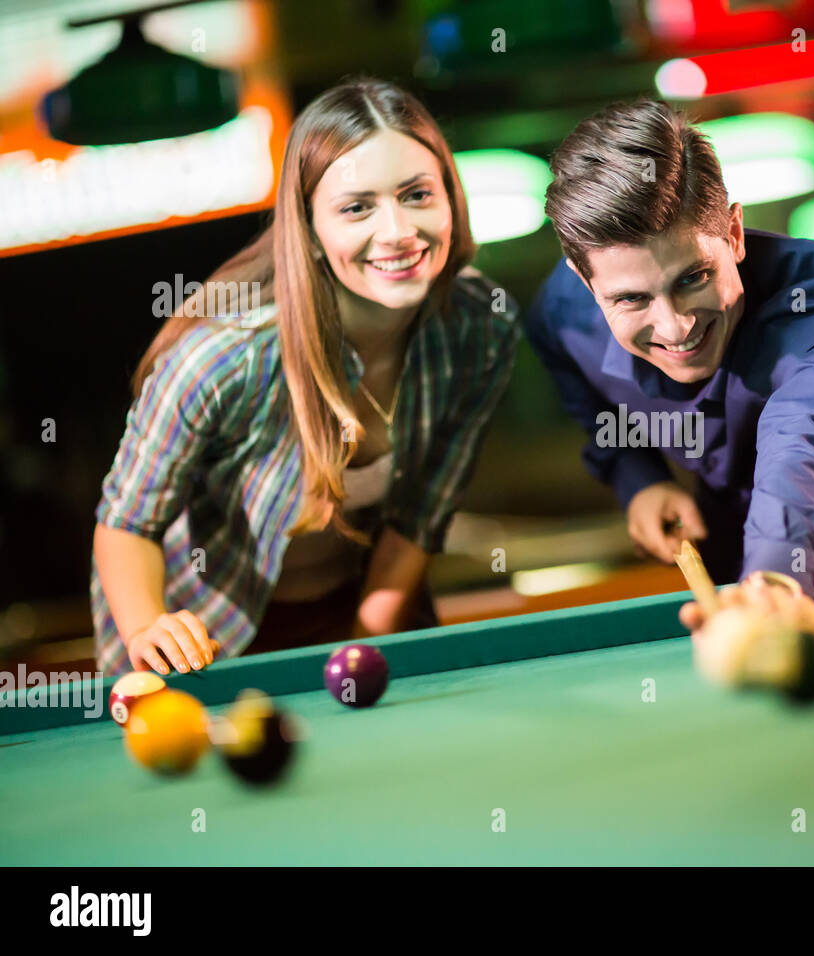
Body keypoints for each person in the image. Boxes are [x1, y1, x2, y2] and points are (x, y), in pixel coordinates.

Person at [525, 99, 814, 639]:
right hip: (750, 594)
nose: (676, 326)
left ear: (733, 232)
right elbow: (569, 365)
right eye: (632, 300)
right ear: (586, 284)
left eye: (693, 278)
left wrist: (773, 586)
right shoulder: (569, 312)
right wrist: (638, 477)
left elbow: (812, 446)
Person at [92, 79, 519, 677]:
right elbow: (126, 523)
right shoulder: (223, 358)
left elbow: (418, 520)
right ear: (310, 231)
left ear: (451, 197)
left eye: (417, 194)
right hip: (204, 636)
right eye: (356, 207)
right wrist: (148, 628)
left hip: (367, 607)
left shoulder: (480, 327)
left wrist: (357, 651)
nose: (397, 230)